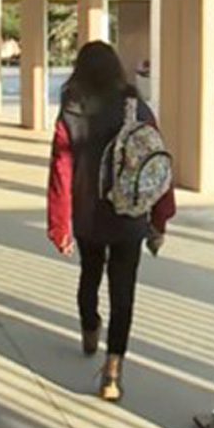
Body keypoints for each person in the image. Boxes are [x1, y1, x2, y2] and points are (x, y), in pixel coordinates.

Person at [47, 41, 175, 402]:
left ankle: (90, 329)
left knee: (90, 273)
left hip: (89, 215)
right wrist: (160, 218)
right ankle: (113, 373)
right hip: (130, 214)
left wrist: (60, 224)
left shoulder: (72, 111)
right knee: (124, 293)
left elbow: (61, 170)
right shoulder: (139, 109)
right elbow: (159, 163)